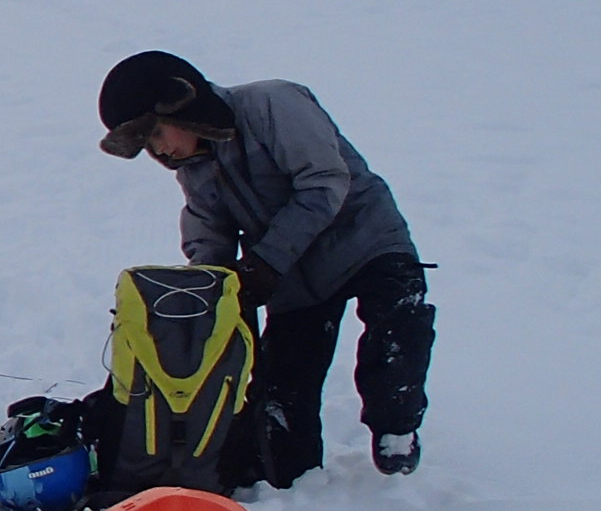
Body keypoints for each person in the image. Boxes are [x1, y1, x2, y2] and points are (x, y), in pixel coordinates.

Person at [97, 50, 434, 484]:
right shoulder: (195, 171)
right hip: (295, 276)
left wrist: (263, 264)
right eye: (147, 146)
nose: (159, 150)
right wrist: (211, 301)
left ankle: (396, 430)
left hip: (364, 242)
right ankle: (295, 480)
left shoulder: (273, 105)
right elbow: (209, 237)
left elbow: (324, 182)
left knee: (397, 331)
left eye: (157, 133)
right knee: (280, 412)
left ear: (184, 104)